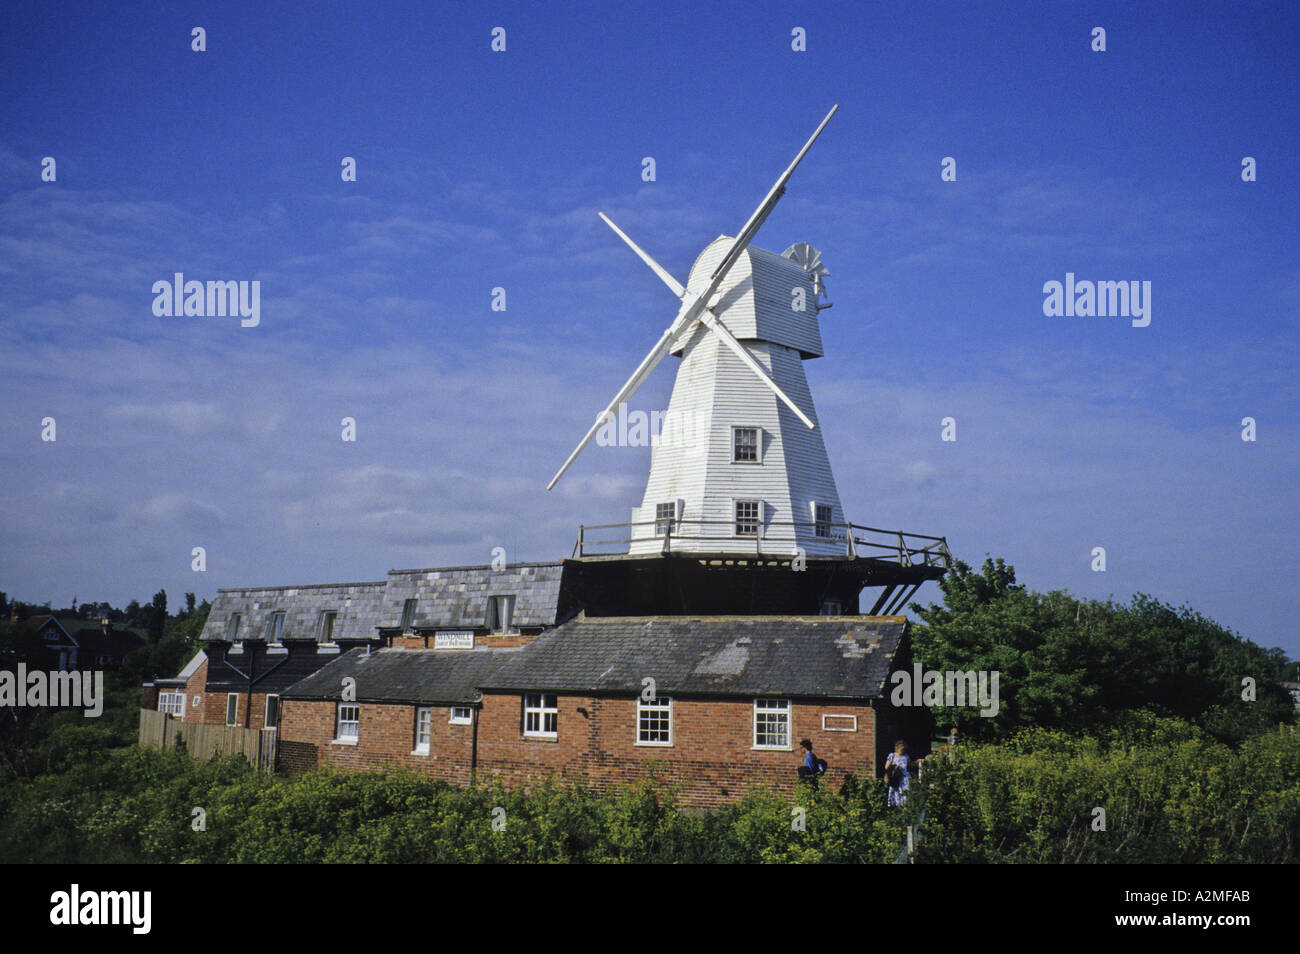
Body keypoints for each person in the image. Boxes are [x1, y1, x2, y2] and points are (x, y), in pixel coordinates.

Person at [885, 739, 910, 807]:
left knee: (904, 792)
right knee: (895, 792)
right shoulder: (892, 755)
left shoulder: (906, 757)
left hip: (904, 778)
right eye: (901, 750)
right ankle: (895, 807)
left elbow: (908, 766)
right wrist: (896, 767)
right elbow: (887, 767)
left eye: (903, 750)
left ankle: (903, 806)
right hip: (895, 777)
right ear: (897, 749)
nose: (902, 751)